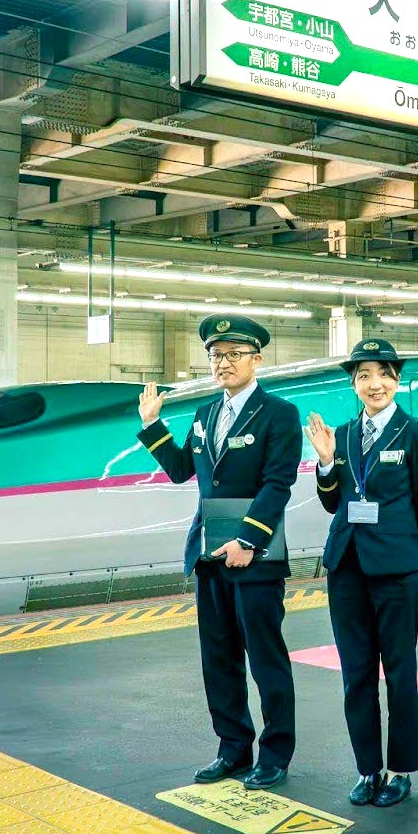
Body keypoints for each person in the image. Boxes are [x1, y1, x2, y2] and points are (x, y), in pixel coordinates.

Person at [136, 314, 302, 791]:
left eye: (233, 355)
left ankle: (274, 755)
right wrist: (152, 427)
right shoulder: (206, 414)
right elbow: (181, 470)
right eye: (215, 355)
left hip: (256, 555)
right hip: (210, 552)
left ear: (257, 359)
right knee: (220, 658)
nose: (222, 363)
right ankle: (232, 749)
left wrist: (248, 539)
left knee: (265, 659)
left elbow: (278, 483)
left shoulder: (278, 414)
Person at [305, 339, 418, 809]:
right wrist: (324, 462)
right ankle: (368, 769)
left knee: (400, 671)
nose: (373, 383)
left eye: (382, 374)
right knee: (355, 673)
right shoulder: (340, 435)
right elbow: (332, 502)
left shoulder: (415, 432)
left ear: (396, 380)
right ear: (354, 384)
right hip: (346, 566)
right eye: (363, 376)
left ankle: (401, 769)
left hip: (398, 569)